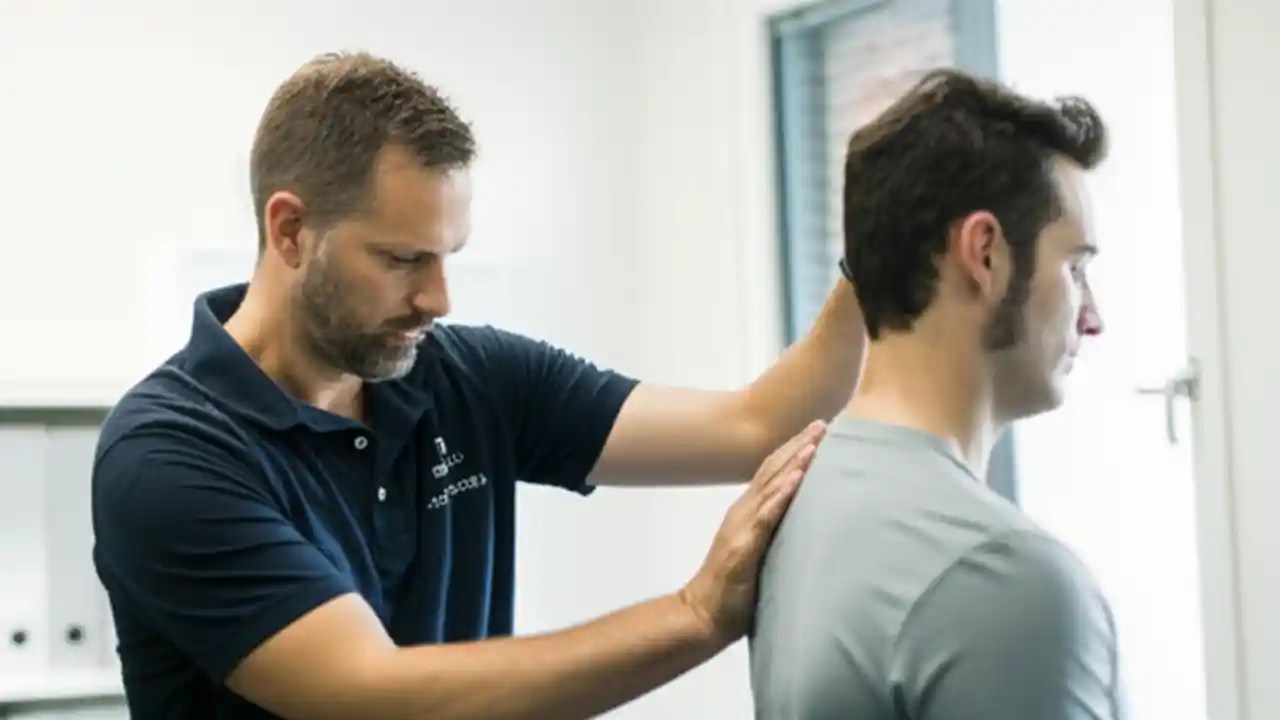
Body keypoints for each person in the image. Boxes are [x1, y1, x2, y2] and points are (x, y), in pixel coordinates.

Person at [89, 51, 863, 719]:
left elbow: (757, 428)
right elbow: (370, 696)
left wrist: (871, 260)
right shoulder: (167, 456)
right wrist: (694, 614)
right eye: (403, 260)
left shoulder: (467, 377)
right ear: (290, 229)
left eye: (447, 255)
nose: (439, 299)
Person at [749, 68, 1127, 719]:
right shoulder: (1008, 578)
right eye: (1075, 268)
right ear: (985, 254)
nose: (1093, 318)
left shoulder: (801, 500)